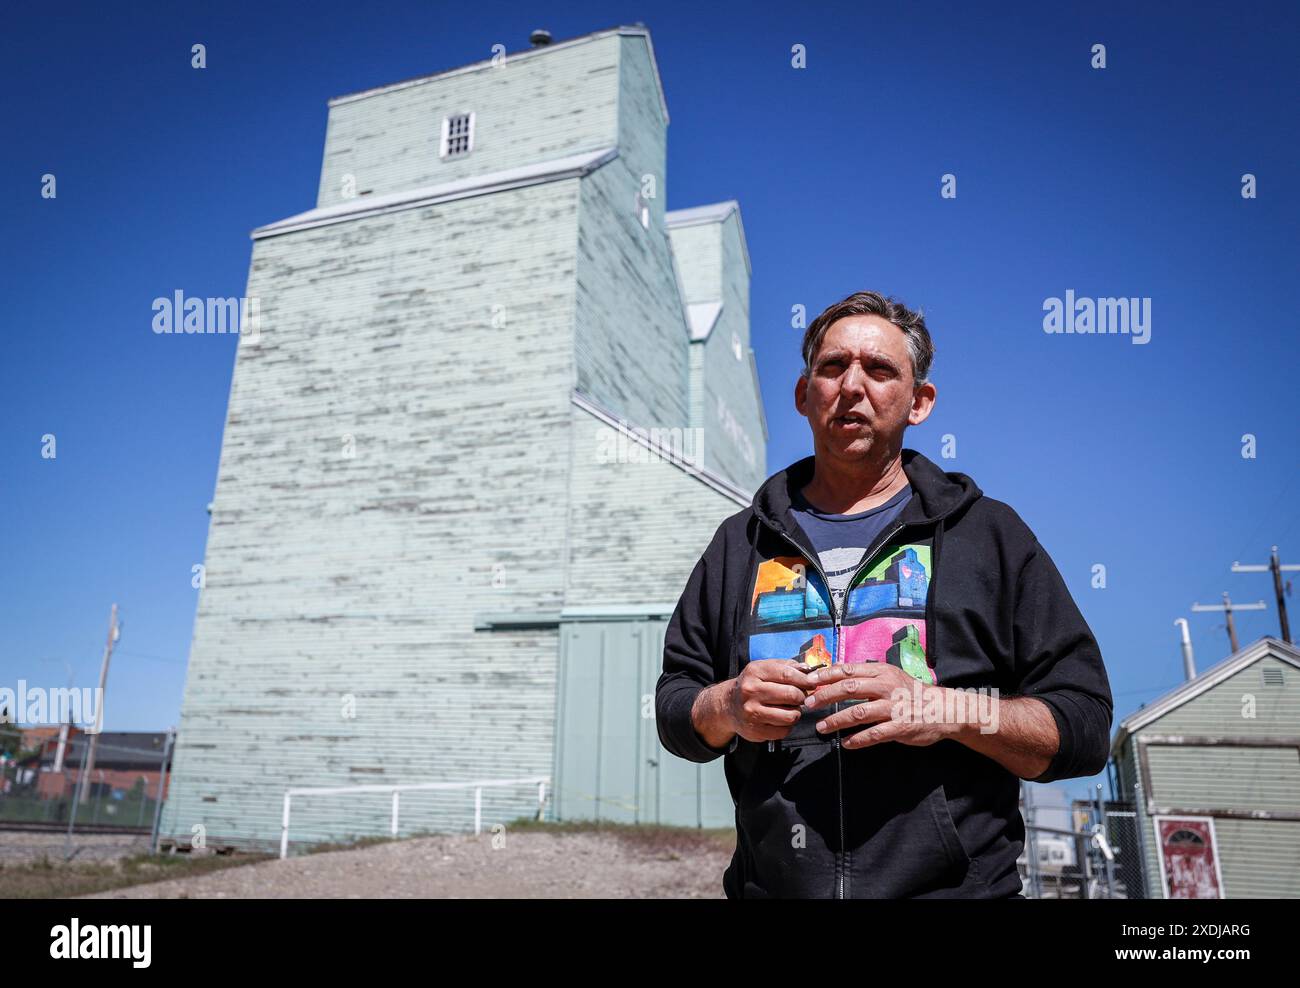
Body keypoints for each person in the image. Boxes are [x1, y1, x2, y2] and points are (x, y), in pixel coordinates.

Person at [655, 290, 1113, 898]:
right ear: (802, 395)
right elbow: (674, 708)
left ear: (919, 402)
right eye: (832, 367)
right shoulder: (738, 543)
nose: (852, 385)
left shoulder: (989, 535)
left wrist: (944, 710)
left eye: (878, 369)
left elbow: (1082, 727)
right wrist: (730, 706)